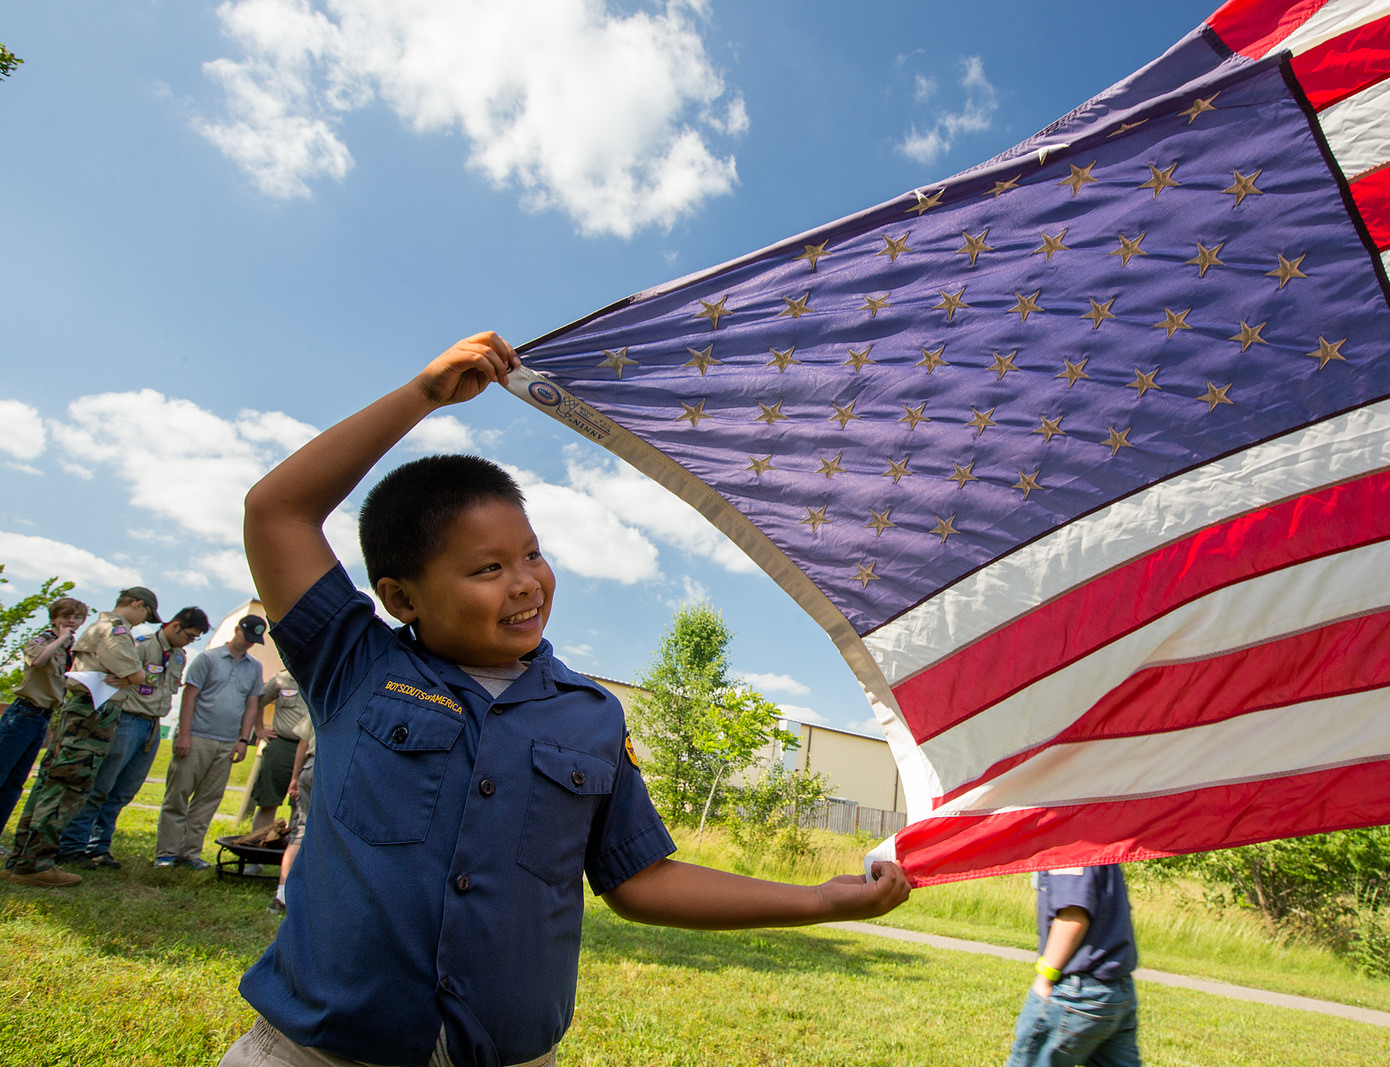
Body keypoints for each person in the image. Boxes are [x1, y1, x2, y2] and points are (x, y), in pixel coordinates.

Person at [224, 331, 909, 1067]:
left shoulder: (589, 714)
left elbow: (639, 879)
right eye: (487, 567)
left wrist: (820, 900)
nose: (525, 582)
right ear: (400, 596)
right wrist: (423, 394)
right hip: (316, 1052)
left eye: (532, 553)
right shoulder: (352, 662)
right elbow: (277, 511)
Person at [3, 587, 161, 888]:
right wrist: (132, 677)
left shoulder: (96, 626)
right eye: (146, 614)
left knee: (50, 782)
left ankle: (21, 860)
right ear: (138, 605)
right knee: (68, 786)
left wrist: (130, 676)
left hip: (78, 712)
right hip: (93, 715)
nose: (144, 622)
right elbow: (137, 674)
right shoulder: (114, 630)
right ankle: (37, 863)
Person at [58, 607, 209, 870]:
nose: (190, 641)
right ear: (174, 625)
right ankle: (73, 845)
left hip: (152, 725)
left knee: (123, 791)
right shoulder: (140, 645)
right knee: (101, 787)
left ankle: (99, 847)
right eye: (190, 635)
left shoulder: (178, 657)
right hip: (127, 720)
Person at [154, 615, 266, 869]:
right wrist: (184, 735)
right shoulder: (208, 659)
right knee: (178, 796)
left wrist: (242, 740)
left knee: (208, 800)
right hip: (197, 737)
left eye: (253, 641)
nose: (248, 644)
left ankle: (190, 852)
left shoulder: (254, 667)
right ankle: (166, 853)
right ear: (237, 629)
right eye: (246, 637)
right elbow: (190, 697)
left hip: (227, 742)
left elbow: (252, 705)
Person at [1005, 865, 1141, 1067]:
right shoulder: (1103, 843)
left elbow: (1073, 916)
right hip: (1118, 990)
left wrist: (1045, 977)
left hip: (1080, 993)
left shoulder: (1070, 845)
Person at [0, 596, 89, 843]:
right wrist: (60, 639)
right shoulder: (45, 640)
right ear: (54, 619)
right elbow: (37, 660)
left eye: (76, 617)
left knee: (15, 783)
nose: (71, 621)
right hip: (23, 714)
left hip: (42, 718)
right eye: (65, 617)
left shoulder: (72, 648)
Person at [248, 668, 311, 834]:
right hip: (282, 745)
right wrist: (260, 729)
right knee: (268, 800)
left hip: (309, 750)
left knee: (300, 806)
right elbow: (258, 702)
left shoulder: (318, 676)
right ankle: (257, 850)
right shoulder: (282, 679)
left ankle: (288, 854)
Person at [268, 716, 314, 914]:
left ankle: (282, 894)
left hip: (309, 768)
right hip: (327, 768)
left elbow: (303, 743)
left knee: (301, 831)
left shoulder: (319, 699)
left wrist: (295, 777)